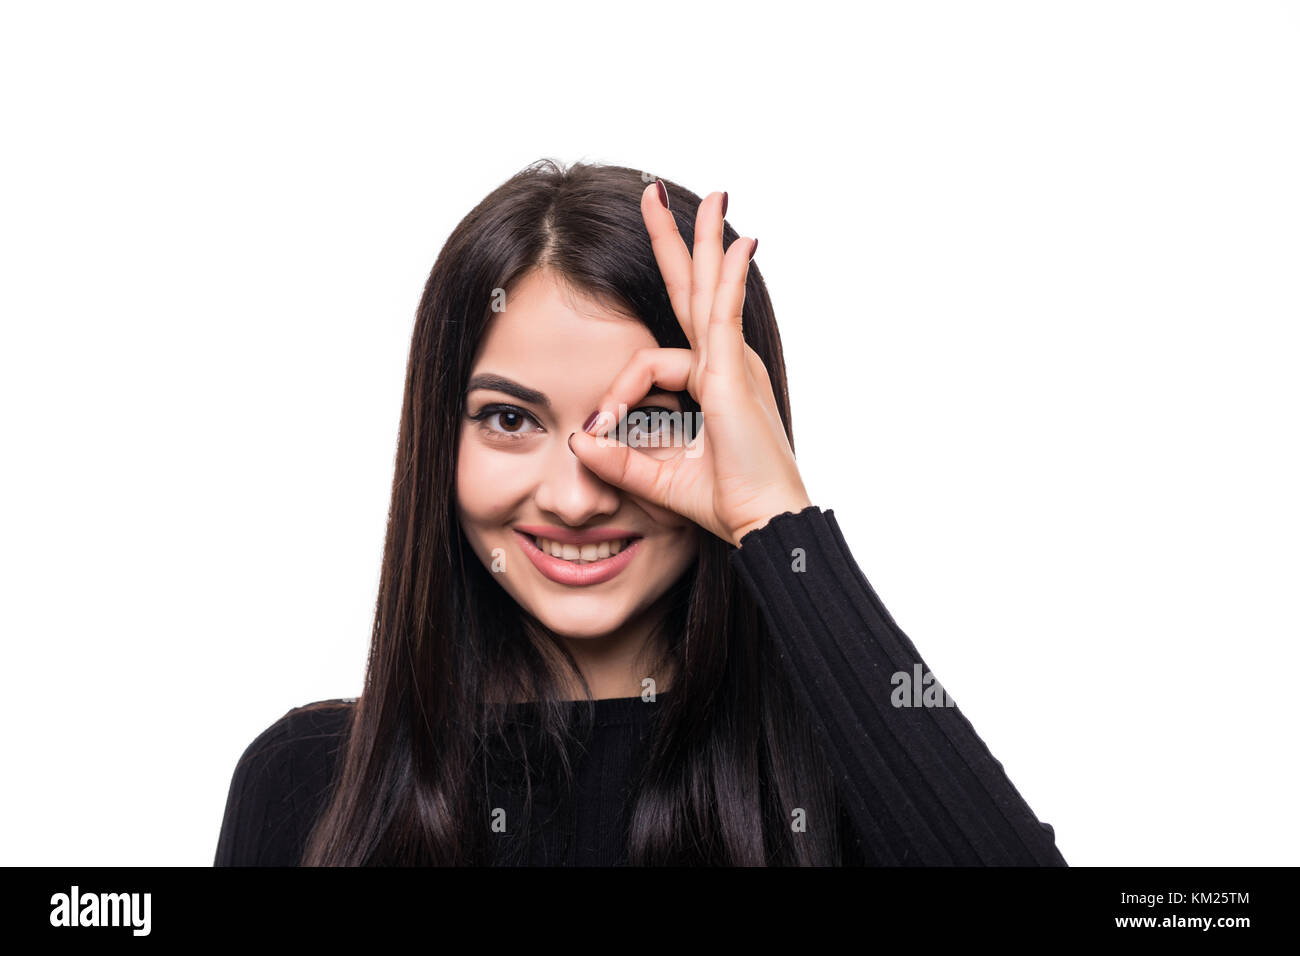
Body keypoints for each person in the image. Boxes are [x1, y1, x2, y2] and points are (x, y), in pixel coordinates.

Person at [214, 159, 1067, 866]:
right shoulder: (304, 786)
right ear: (441, 441)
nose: (577, 497)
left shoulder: (851, 784)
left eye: (643, 418)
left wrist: (775, 514)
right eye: (510, 420)